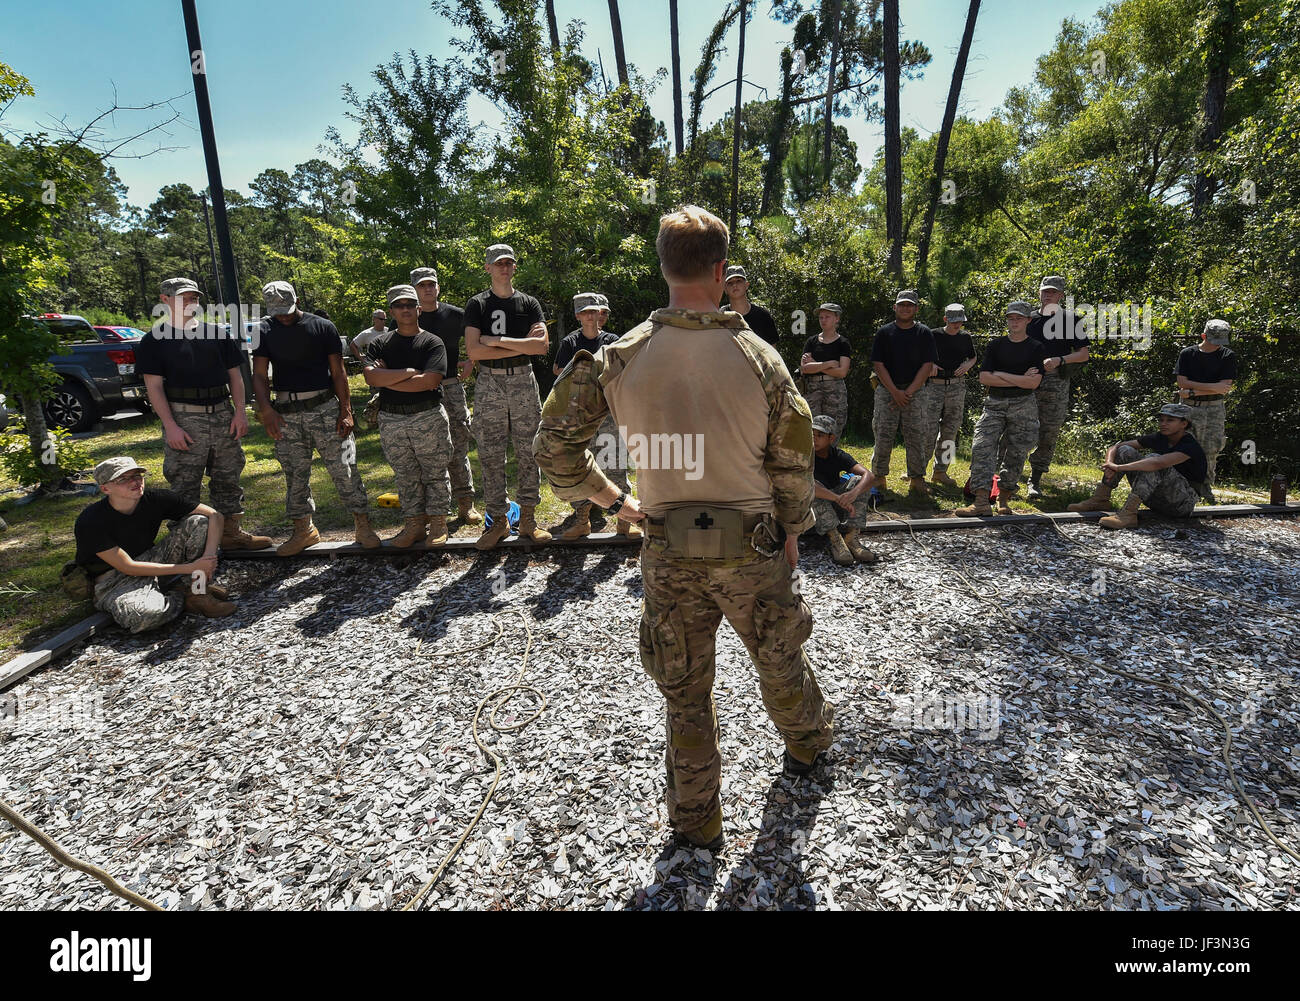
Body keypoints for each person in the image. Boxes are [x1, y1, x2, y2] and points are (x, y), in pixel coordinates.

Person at [535, 204, 835, 853]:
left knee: (685, 691)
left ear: (664, 268)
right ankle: (809, 749)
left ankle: (696, 819)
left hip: (669, 544)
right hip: (749, 544)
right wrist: (793, 529)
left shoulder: (616, 357)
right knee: (780, 661)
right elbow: (792, 458)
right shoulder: (761, 358)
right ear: (722, 271)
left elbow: (555, 447)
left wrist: (614, 500)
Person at [135, 277, 270, 551]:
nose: (191, 302)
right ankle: (187, 547)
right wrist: (170, 426)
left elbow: (235, 376)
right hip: (185, 419)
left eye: (194, 297)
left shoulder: (217, 334)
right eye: (184, 297)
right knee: (185, 483)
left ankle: (231, 533)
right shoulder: (154, 340)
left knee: (228, 477)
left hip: (222, 414)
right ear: (165, 300)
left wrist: (240, 413)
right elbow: (154, 387)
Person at [252, 281, 380, 555]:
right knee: (295, 474)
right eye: (277, 312)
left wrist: (346, 410)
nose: (283, 316)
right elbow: (260, 375)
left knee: (345, 467)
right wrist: (267, 411)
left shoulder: (322, 326)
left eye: (286, 309)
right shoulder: (261, 330)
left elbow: (339, 372)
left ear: (297, 301)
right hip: (286, 413)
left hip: (324, 408)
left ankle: (363, 525)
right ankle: (303, 531)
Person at [73, 457, 235, 632]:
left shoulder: (156, 499)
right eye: (123, 479)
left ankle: (198, 592)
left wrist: (208, 559)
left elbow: (215, 516)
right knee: (145, 617)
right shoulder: (91, 521)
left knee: (199, 521)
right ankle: (182, 594)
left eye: (137, 475)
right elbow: (129, 567)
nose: (134, 482)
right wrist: (191, 567)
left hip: (152, 558)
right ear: (105, 488)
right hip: (115, 580)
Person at [464, 244, 553, 549]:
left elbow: (541, 347)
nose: (504, 267)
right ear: (487, 267)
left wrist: (498, 340)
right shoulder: (477, 304)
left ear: (515, 267)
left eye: (509, 263)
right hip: (490, 382)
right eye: (498, 263)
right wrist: (522, 343)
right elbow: (474, 351)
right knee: (491, 454)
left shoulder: (529, 304)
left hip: (523, 381)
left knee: (530, 451)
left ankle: (528, 519)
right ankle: (498, 521)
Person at [363, 285, 455, 548]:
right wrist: (409, 372)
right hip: (391, 419)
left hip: (427, 415)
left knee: (435, 472)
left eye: (409, 304)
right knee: (405, 474)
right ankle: (414, 524)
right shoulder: (380, 343)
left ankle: (438, 523)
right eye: (399, 305)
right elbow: (370, 376)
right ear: (391, 311)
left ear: (418, 308)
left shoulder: (432, 342)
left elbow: (430, 381)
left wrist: (388, 378)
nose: (405, 309)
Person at [551, 292, 639, 540]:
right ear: (578, 315)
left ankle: (625, 522)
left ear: (602, 313)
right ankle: (582, 520)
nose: (592, 316)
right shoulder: (570, 342)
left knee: (614, 462)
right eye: (586, 312)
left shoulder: (611, 340)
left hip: (608, 410)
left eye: (595, 311)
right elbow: (558, 369)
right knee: (581, 464)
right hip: (580, 412)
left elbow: (623, 366)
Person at [955, 302, 1046, 517]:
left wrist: (1001, 375)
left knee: (1016, 452)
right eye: (1011, 318)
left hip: (1024, 404)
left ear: (1028, 320)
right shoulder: (996, 345)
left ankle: (1003, 499)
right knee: (982, 446)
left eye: (1019, 318)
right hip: (994, 403)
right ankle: (980, 501)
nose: (1014, 322)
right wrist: (1020, 378)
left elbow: (1032, 384)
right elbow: (985, 378)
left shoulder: (1036, 347)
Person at [412, 266, 481, 525]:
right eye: (422, 285)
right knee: (426, 450)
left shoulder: (456, 314)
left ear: (438, 287)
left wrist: (470, 360)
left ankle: (466, 504)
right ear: (415, 290)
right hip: (419, 390)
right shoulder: (407, 318)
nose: (428, 288)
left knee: (459, 445)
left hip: (451, 386)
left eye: (431, 284)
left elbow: (477, 339)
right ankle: (433, 508)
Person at [1067, 403, 1207, 528]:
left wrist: (1119, 468)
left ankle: (1129, 514)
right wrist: (1110, 464)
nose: (1163, 424)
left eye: (1170, 420)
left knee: (1152, 460)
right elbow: (1116, 447)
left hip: (1181, 505)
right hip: (1156, 498)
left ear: (1184, 424)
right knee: (1125, 450)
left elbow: (1158, 463)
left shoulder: (1190, 446)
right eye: (1161, 420)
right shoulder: (1160, 438)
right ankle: (1100, 499)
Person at [1019, 275, 1090, 498]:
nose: (1048, 294)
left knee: (1049, 431)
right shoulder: (1026, 319)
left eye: (1053, 291)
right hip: (1024, 380)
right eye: (1045, 291)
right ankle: (1007, 476)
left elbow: (1083, 354)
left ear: (1060, 295)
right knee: (1016, 428)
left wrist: (1060, 360)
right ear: (1039, 292)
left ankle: (1035, 479)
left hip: (1054, 381)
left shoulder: (1071, 320)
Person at [869, 289, 938, 495]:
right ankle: (879, 477)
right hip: (886, 390)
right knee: (882, 433)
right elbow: (878, 364)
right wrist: (895, 392)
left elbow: (927, 365)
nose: (905, 308)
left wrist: (907, 392)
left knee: (917, 435)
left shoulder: (924, 333)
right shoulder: (884, 333)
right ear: (895, 307)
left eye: (910, 305)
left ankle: (917, 479)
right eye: (902, 305)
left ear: (916, 308)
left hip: (915, 392)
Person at [1175, 318, 1237, 496]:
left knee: (1211, 447)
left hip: (1214, 407)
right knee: (1185, 444)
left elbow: (1224, 388)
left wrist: (1192, 391)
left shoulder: (1227, 355)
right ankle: (1182, 484)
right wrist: (1213, 386)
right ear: (1203, 336)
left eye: (1221, 342)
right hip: (1188, 408)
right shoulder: (1188, 353)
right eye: (1213, 341)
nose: (1217, 345)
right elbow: (1181, 382)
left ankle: (1204, 486)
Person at [810, 414, 878, 566]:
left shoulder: (837, 455)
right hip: (814, 511)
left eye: (820, 435)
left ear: (831, 438)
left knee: (861, 482)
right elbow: (808, 486)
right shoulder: (805, 455)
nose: (814, 438)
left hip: (839, 506)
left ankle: (851, 537)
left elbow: (869, 476)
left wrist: (852, 494)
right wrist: (838, 498)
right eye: (812, 434)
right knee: (810, 486)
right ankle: (835, 539)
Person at [924, 303, 977, 487]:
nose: (957, 325)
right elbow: (920, 356)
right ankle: (918, 473)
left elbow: (973, 356)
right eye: (953, 321)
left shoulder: (965, 337)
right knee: (927, 431)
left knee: (950, 431)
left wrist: (968, 365)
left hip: (956, 387)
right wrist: (929, 364)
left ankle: (941, 472)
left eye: (960, 321)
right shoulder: (933, 334)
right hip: (933, 387)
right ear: (945, 319)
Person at [800, 303, 852, 438]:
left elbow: (842, 372)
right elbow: (804, 369)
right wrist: (828, 364)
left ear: (837, 319)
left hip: (835, 390)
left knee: (833, 430)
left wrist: (815, 365)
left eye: (827, 317)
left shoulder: (843, 343)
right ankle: (814, 459)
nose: (823, 320)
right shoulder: (811, 341)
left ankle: (830, 458)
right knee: (811, 429)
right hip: (812, 390)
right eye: (821, 317)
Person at [723, 265, 780, 347]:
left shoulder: (763, 316)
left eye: (739, 281)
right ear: (725, 289)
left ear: (746, 285)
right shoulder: (721, 317)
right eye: (730, 283)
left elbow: (772, 353)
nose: (734, 285)